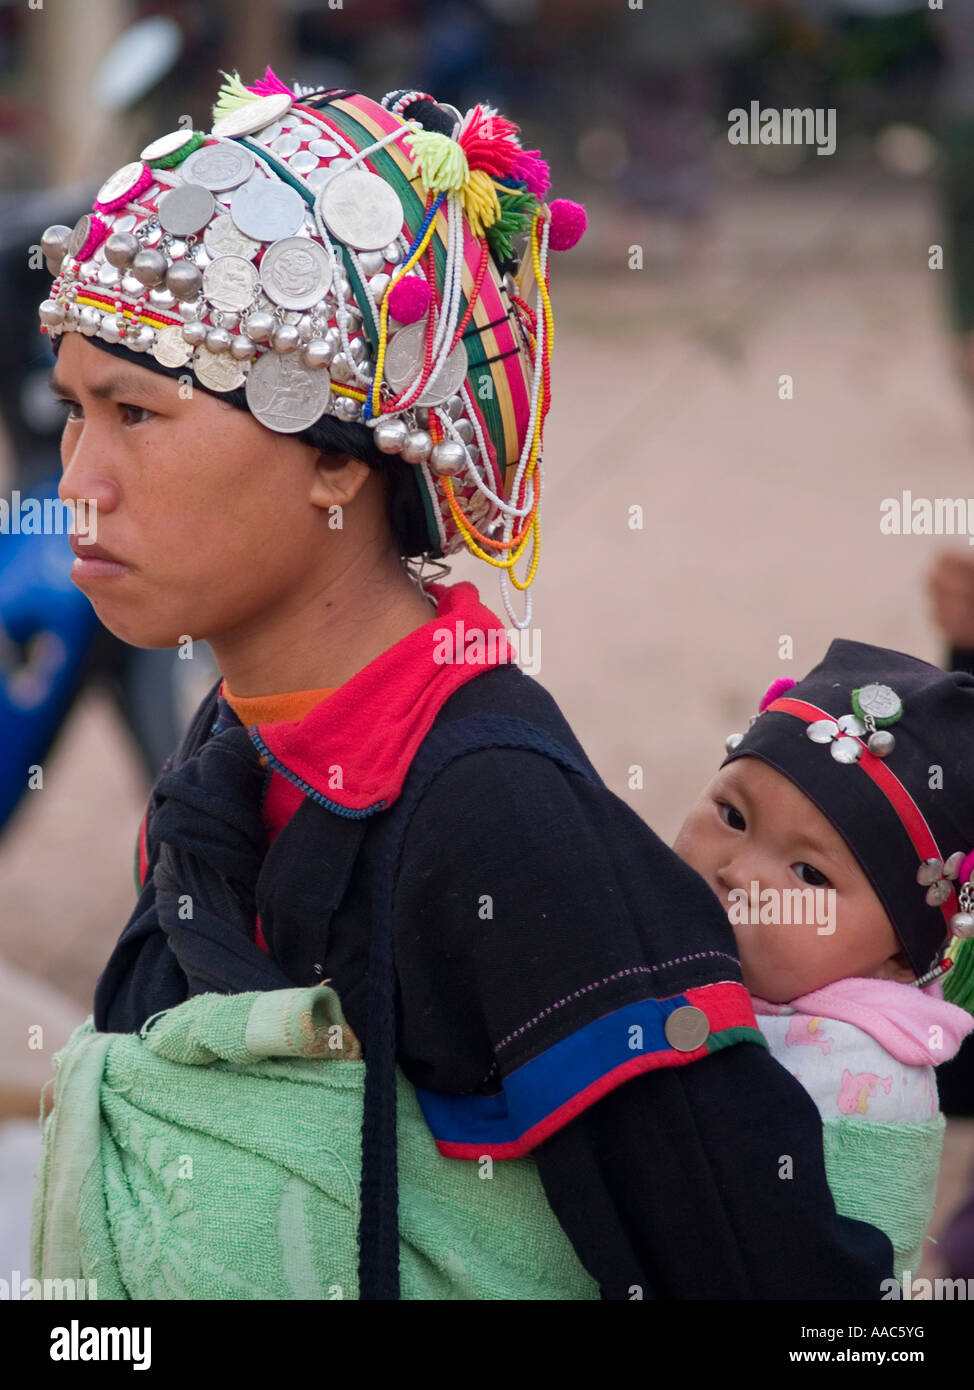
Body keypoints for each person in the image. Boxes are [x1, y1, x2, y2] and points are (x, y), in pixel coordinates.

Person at [31, 69, 895, 1300]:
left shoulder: (500, 821)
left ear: (335, 459)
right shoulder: (236, 756)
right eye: (70, 410)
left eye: (135, 412)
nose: (78, 480)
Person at [674, 641, 974, 1285]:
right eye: (732, 814)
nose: (738, 873)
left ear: (898, 959)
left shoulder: (865, 1078)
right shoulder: (666, 949)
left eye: (808, 873)